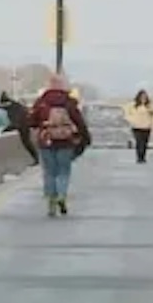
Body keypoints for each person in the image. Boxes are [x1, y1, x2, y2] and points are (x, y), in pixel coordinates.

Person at [28, 75, 91, 217]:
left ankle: (51, 200)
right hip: (65, 141)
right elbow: (79, 122)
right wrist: (85, 138)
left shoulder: (41, 102)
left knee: (49, 172)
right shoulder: (69, 102)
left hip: (46, 141)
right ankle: (61, 195)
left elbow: (31, 121)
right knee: (63, 171)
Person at [0, 92, 38, 164]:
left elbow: (15, 122)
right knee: (27, 143)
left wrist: (6, 129)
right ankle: (36, 158)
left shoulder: (13, 109)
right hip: (24, 125)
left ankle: (36, 159)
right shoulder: (15, 106)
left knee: (27, 143)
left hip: (23, 126)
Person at [123, 89, 153, 163]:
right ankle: (139, 157)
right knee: (139, 142)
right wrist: (131, 120)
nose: (143, 98)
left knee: (144, 143)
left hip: (146, 127)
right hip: (136, 127)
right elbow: (126, 113)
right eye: (142, 97)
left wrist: (150, 110)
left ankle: (143, 156)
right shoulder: (133, 105)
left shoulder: (149, 106)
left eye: (145, 97)